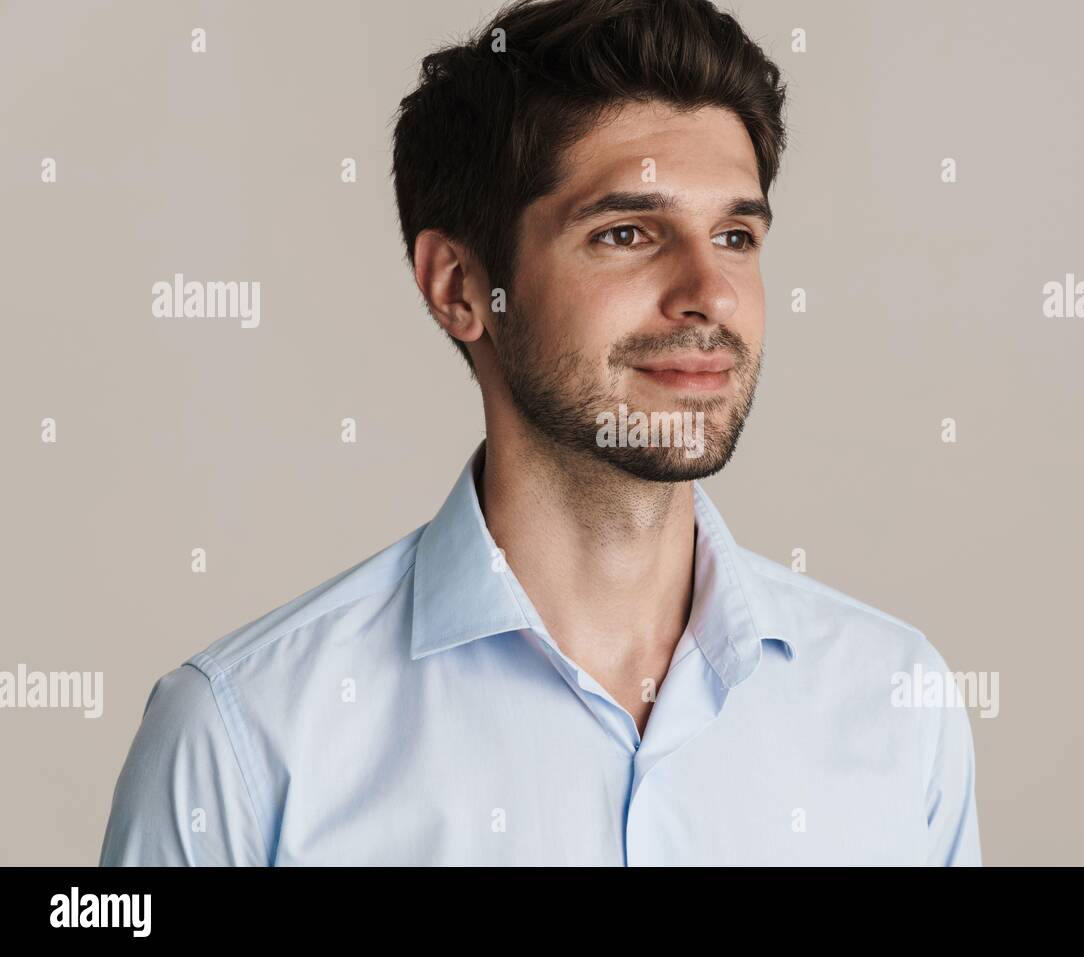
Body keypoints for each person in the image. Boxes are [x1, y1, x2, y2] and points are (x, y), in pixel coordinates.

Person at [100, 0, 981, 866]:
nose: (710, 293)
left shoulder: (895, 701)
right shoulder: (242, 739)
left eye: (736, 235)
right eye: (627, 232)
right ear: (458, 286)